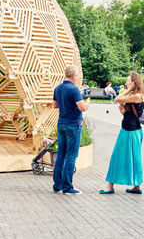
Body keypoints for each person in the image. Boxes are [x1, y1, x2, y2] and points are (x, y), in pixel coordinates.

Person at [101, 72, 144, 195]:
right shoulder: (138, 95)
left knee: (117, 157)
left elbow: (116, 99)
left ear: (134, 83)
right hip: (132, 130)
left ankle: (110, 185)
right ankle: (137, 186)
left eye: (128, 81)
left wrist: (128, 90)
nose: (126, 83)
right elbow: (131, 115)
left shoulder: (137, 95)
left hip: (130, 132)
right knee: (134, 158)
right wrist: (124, 112)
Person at [52, 65, 91, 195]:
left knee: (61, 154)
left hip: (61, 123)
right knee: (71, 155)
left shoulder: (58, 88)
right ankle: (67, 187)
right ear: (74, 76)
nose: (78, 77)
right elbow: (82, 107)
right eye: (78, 75)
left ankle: (57, 185)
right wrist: (88, 103)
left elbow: (54, 105)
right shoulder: (74, 89)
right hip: (73, 125)